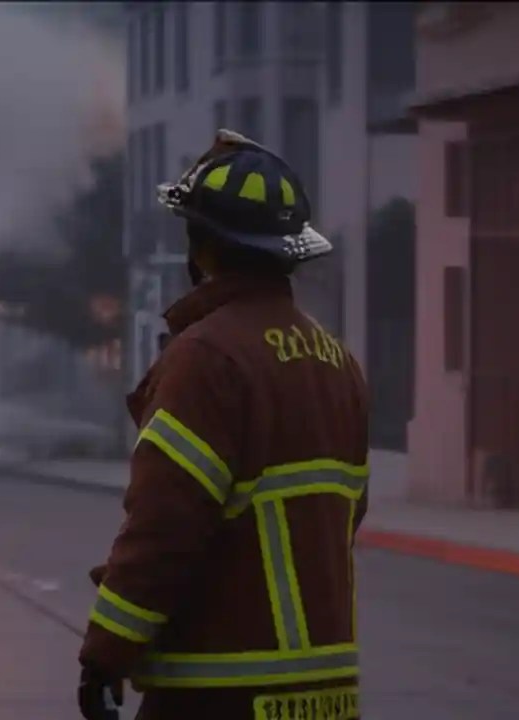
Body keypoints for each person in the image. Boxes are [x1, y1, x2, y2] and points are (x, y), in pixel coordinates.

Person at [77, 129, 370, 720]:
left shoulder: (207, 358)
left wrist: (105, 653)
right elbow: (347, 517)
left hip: (221, 693)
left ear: (201, 247)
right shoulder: (338, 362)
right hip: (328, 695)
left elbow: (165, 528)